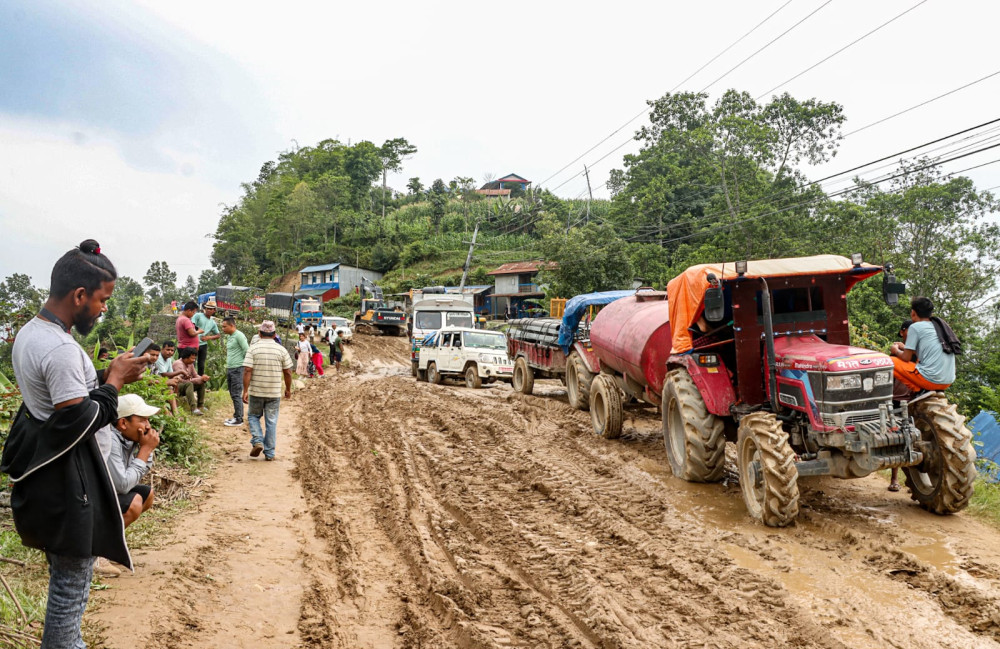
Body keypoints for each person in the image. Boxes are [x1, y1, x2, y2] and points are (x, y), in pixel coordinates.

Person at [0, 239, 149, 647]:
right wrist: (114, 381)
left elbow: (67, 396)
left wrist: (108, 375)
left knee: (65, 591)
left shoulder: (33, 333)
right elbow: (75, 420)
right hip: (70, 489)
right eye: (102, 300)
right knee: (68, 598)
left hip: (49, 486)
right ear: (79, 295)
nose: (104, 309)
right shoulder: (60, 348)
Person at [108, 394, 159, 532]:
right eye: (143, 420)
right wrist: (145, 449)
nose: (148, 426)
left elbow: (139, 473)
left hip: (110, 491)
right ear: (123, 423)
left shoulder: (128, 438)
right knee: (134, 503)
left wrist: (146, 450)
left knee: (147, 495)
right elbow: (123, 485)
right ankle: (98, 545)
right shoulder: (110, 440)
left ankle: (112, 538)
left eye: (148, 420)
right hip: (91, 498)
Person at [242, 321, 293, 461]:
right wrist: (288, 389)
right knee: (271, 421)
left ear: (259, 333)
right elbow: (288, 372)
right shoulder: (281, 350)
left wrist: (245, 390)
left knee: (253, 416)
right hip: (274, 392)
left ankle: (258, 440)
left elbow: (247, 370)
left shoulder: (253, 349)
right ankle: (269, 453)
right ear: (275, 334)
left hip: (256, 391)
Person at [889, 296, 956, 395]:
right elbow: (927, 352)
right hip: (948, 381)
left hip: (931, 381)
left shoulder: (915, 327)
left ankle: (919, 390)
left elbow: (906, 357)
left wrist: (895, 350)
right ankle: (924, 390)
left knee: (888, 362)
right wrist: (904, 347)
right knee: (917, 363)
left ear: (913, 312)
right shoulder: (939, 326)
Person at [222, 317, 248, 426]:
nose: (223, 329)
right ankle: (236, 415)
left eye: (225, 326)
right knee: (233, 393)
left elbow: (247, 350)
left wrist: (244, 367)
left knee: (236, 394)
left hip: (238, 368)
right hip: (231, 368)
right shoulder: (230, 337)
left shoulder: (239, 336)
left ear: (232, 326)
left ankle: (239, 419)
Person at [173, 347, 210, 415]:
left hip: (187, 384)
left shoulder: (190, 364)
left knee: (201, 383)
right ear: (186, 358)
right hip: (178, 386)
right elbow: (183, 380)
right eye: (192, 358)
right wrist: (200, 379)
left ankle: (200, 405)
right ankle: (193, 408)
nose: (194, 360)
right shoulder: (178, 364)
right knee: (189, 384)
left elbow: (195, 375)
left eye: (194, 358)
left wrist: (202, 378)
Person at [192, 300, 221, 376]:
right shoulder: (198, 315)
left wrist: (208, 337)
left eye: (211, 309)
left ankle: (200, 382)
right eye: (207, 308)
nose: (208, 310)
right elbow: (192, 325)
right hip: (194, 343)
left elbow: (218, 335)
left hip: (203, 344)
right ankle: (191, 380)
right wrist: (198, 331)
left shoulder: (212, 322)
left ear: (214, 310)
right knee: (192, 363)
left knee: (201, 365)